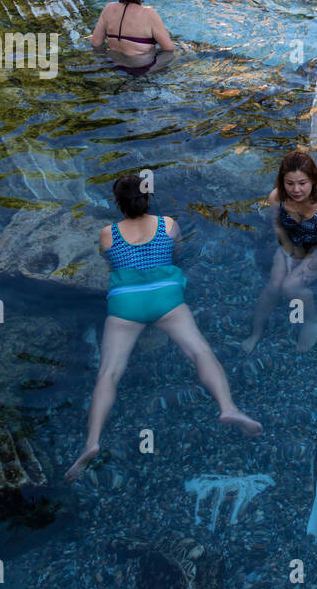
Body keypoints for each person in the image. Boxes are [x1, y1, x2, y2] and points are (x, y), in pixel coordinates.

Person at [66, 175, 262, 483]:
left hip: (125, 305)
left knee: (109, 373)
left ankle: (91, 442)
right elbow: (178, 254)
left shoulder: (108, 233)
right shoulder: (168, 225)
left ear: (118, 204)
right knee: (200, 351)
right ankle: (228, 407)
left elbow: (111, 263)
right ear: (148, 198)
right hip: (166, 299)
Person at [242, 151, 317, 355]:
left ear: (314, 180)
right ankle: (256, 333)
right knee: (274, 286)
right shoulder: (277, 197)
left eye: (302, 183)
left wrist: (310, 265)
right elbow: (277, 225)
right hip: (296, 237)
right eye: (289, 183)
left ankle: (312, 319)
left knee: (292, 286)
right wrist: (289, 251)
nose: (296, 189)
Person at [90, 0, 176, 74]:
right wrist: (150, 70)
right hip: (142, 67)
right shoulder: (149, 14)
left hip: (115, 64)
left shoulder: (108, 9)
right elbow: (169, 49)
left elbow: (95, 43)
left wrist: (105, 64)